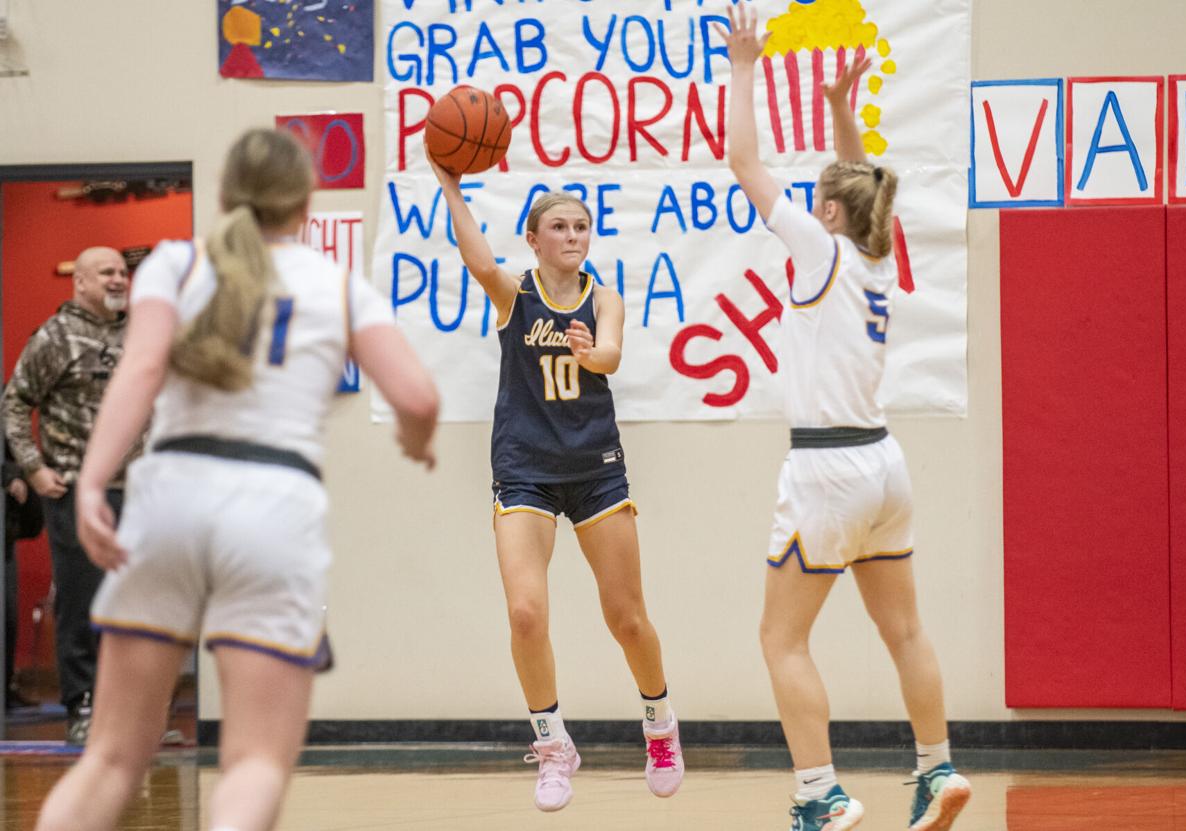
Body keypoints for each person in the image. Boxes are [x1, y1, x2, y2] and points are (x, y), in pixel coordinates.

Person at [33, 128, 439, 831]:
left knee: (109, 760)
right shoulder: (337, 284)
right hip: (275, 508)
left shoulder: (175, 265)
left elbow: (140, 367)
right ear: (305, 204)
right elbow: (419, 397)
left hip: (170, 493)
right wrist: (414, 441)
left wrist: (92, 479)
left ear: (223, 196)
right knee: (253, 763)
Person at [720, 7, 972, 831]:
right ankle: (937, 769)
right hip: (884, 465)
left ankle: (819, 792)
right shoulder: (876, 252)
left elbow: (742, 159)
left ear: (825, 211)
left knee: (781, 639)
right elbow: (862, 183)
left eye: (820, 191)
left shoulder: (822, 249)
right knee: (904, 629)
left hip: (826, 471)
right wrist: (840, 111)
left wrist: (745, 64)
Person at [427, 154, 685, 811]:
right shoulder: (515, 294)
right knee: (524, 611)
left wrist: (590, 352)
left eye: (581, 227)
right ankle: (551, 744)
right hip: (525, 468)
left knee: (627, 618)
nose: (573, 236)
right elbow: (478, 261)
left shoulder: (605, 300)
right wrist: (451, 188)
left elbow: (612, 354)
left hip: (595, 466)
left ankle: (658, 721)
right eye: (560, 227)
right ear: (535, 239)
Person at [3, 246, 135, 744]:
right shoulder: (55, 337)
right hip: (78, 491)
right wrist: (33, 469)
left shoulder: (142, 332)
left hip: (140, 491)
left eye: (123, 272)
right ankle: (83, 706)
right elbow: (14, 403)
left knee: (138, 605)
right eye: (107, 273)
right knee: (83, 604)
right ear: (79, 281)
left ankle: (132, 711)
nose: (119, 280)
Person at [3, 433, 44, 709]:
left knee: (8, 615)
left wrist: (14, 474)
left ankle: (5, 684)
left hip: (5, 528)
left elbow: (14, 447)